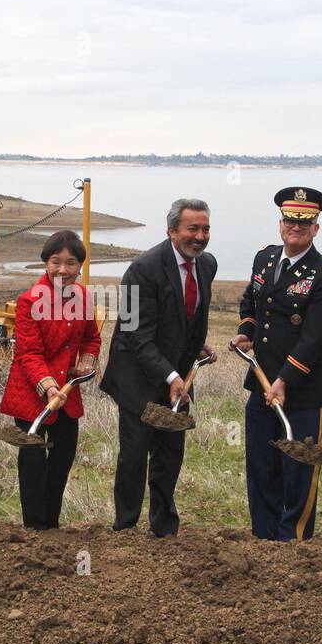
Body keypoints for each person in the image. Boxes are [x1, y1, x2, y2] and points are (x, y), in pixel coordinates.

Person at [230, 188, 322, 541]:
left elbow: (315, 339)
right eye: (290, 221)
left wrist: (284, 381)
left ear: (315, 228)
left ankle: (292, 542)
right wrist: (244, 331)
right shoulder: (264, 259)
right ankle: (263, 539)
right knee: (262, 468)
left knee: (298, 472)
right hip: (261, 387)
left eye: (304, 223)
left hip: (303, 392)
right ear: (281, 224)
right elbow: (251, 301)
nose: (296, 228)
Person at [100, 198, 217, 537]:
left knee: (170, 455)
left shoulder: (207, 265)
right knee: (135, 456)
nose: (199, 236)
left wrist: (197, 348)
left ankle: (164, 528)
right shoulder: (141, 270)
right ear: (171, 230)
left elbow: (189, 319)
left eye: (205, 228)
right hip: (138, 378)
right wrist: (171, 375)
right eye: (191, 229)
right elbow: (136, 334)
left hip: (178, 380)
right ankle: (125, 526)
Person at [0, 230, 101, 529]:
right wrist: (48, 385)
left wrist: (87, 359)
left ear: (80, 266)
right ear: (46, 263)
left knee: (60, 463)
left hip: (67, 396)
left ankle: (50, 527)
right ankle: (34, 529)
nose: (63, 270)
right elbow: (28, 354)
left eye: (71, 263)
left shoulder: (83, 297)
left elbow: (92, 338)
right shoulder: (29, 301)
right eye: (56, 262)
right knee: (33, 465)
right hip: (32, 396)